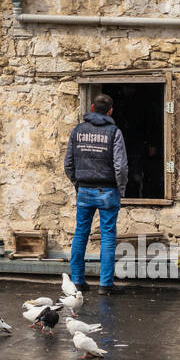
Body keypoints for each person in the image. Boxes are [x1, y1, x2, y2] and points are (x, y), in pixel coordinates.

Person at [64, 93, 128, 295]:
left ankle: (77, 281)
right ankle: (105, 284)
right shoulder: (114, 132)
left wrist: (78, 183)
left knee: (81, 233)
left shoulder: (78, 131)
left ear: (92, 108)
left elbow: (68, 163)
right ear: (110, 111)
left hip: (85, 189)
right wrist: (121, 188)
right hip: (108, 190)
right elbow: (121, 167)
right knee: (108, 236)